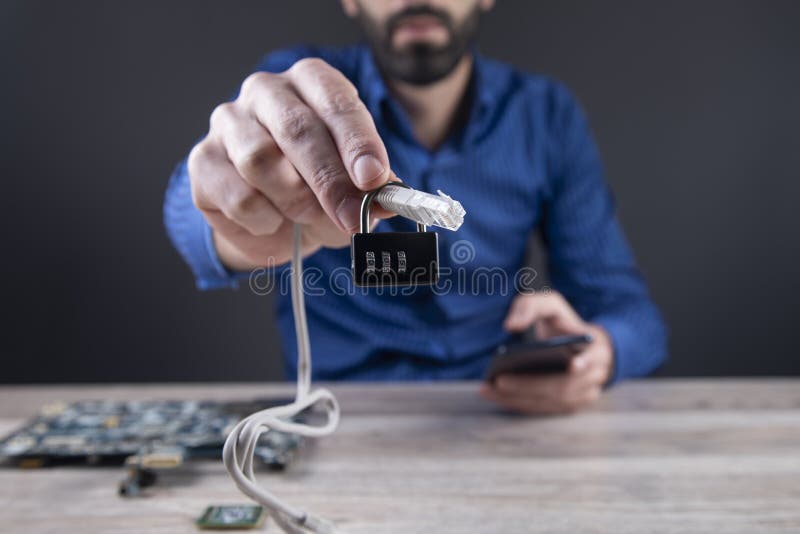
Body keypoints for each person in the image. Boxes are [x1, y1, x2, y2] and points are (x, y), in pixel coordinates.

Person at [164, 0, 667, 415]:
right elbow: (192, 216)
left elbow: (630, 313)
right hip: (335, 416)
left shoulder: (545, 116)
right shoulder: (293, 95)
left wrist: (598, 352)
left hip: (497, 413)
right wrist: (236, 221)